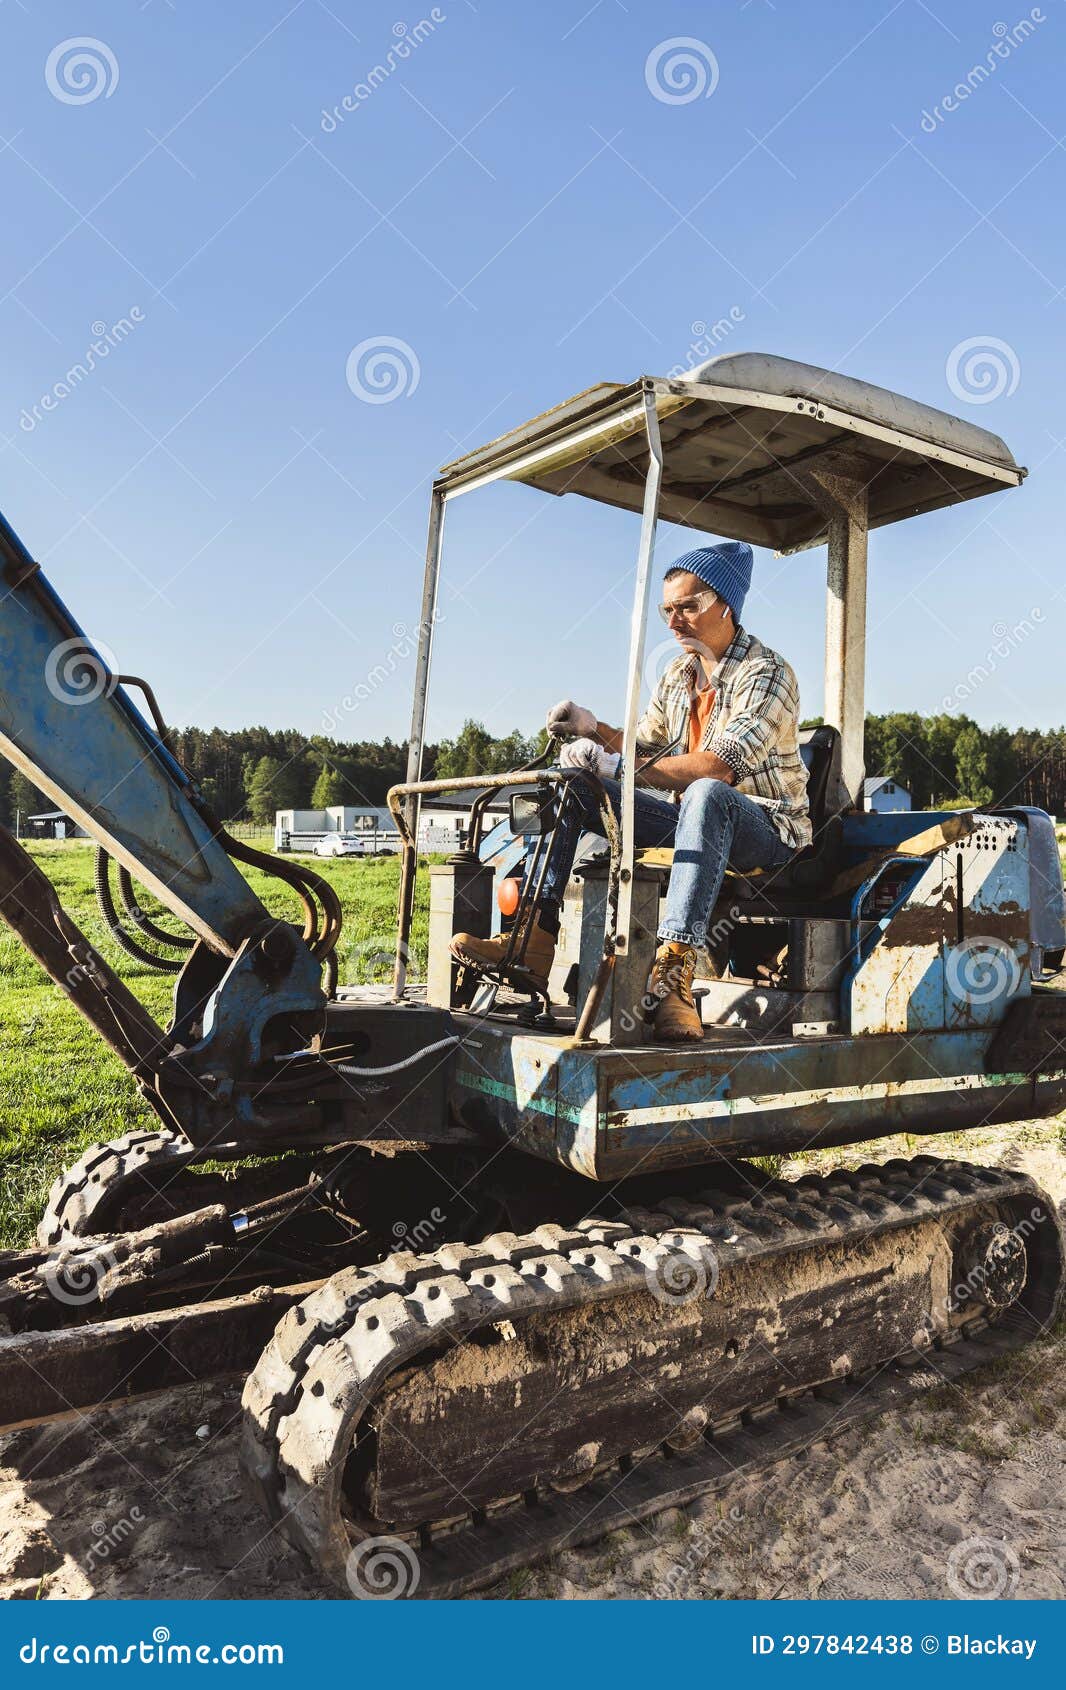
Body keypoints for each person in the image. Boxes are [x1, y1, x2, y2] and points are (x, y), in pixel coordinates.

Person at [451, 542, 811, 1040]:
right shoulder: (679, 674)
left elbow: (718, 767)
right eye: (668, 609)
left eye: (688, 606)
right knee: (578, 786)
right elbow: (644, 746)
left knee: (706, 793)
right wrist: (591, 728)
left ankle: (673, 974)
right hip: (692, 820)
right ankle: (535, 939)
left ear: (726, 605)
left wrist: (621, 764)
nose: (673, 621)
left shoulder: (767, 673)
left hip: (767, 828)